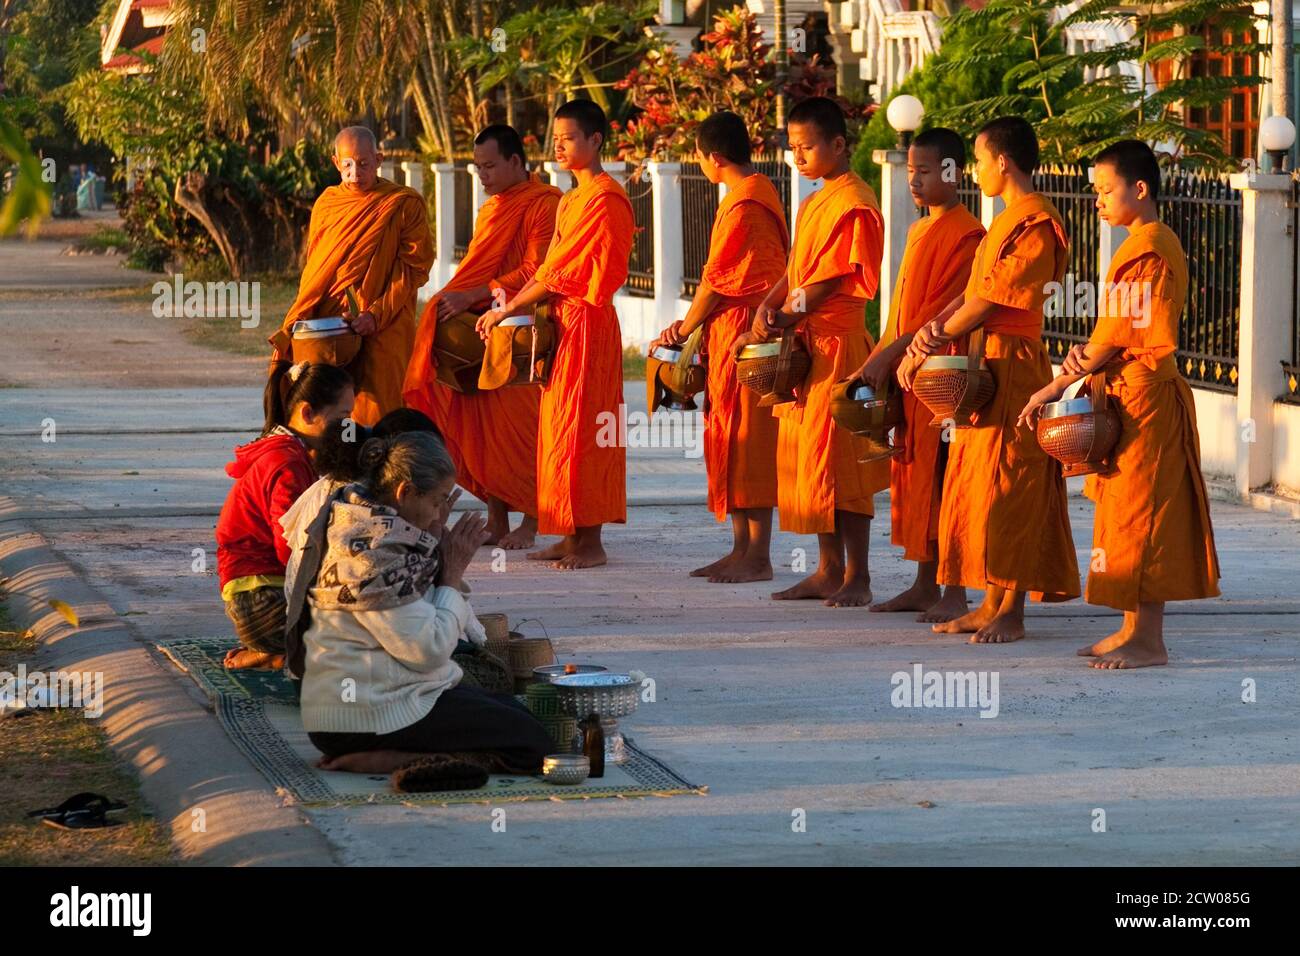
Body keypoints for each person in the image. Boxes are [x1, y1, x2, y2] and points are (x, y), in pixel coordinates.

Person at [1017, 139, 1220, 668]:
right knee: (1122, 512)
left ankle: (1149, 640)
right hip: (1128, 391)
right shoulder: (1140, 242)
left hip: (1146, 395)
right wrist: (1090, 354)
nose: (1098, 201)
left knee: (1145, 514)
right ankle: (1129, 628)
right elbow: (1114, 330)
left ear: (1140, 188)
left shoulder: (1151, 245)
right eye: (1095, 191)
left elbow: (1120, 335)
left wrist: (1054, 385)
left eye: (1106, 190)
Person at [900, 116, 1080, 643]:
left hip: (1017, 363)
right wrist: (928, 333)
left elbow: (989, 300)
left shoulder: (1036, 223)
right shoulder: (1002, 221)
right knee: (977, 480)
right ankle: (987, 601)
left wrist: (930, 340)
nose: (974, 171)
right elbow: (970, 293)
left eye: (978, 161)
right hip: (985, 363)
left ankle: (1013, 610)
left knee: (1014, 484)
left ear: (1002, 162)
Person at [294, 431, 553, 786]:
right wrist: (452, 573)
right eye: (436, 501)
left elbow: (418, 616)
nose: (439, 512)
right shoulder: (375, 553)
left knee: (520, 714)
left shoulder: (363, 517)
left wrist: (433, 541)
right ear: (405, 492)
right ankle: (394, 759)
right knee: (536, 746)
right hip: (361, 718)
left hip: (365, 699)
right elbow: (427, 652)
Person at [733, 96, 889, 607]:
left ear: (839, 145)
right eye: (792, 148)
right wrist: (767, 303)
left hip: (840, 345)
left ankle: (859, 576)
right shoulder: (815, 200)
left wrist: (788, 314)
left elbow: (833, 278)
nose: (797, 157)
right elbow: (798, 269)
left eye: (806, 147)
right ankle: (827, 569)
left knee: (845, 464)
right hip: (807, 344)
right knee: (812, 462)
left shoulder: (856, 202)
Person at [476, 100, 634, 569]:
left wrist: (513, 307)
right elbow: (548, 267)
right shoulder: (569, 198)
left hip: (589, 322)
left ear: (595, 141)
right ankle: (569, 533)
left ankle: (592, 542)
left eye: (568, 137)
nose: (558, 146)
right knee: (560, 430)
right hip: (563, 322)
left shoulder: (606, 197)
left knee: (588, 430)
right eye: (556, 137)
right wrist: (514, 305)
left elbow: (566, 271)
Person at [404, 125, 560, 550]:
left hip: (524, 330)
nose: (484, 175)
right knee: (480, 423)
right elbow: (478, 263)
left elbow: (537, 270)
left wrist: (475, 292)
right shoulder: (493, 208)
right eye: (478, 168)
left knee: (524, 427)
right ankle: (496, 518)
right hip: (484, 327)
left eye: (490, 166)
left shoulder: (545, 204)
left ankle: (532, 520)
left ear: (515, 161)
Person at [650, 111, 788, 583]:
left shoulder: (746, 203)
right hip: (731, 332)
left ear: (712, 158)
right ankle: (739, 549)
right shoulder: (752, 194)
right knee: (727, 437)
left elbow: (716, 281)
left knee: (750, 443)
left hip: (751, 336)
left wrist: (684, 328)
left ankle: (759, 555)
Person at [857, 128, 983, 623]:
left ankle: (954, 590)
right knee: (918, 480)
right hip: (910, 370)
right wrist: (886, 355)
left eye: (925, 170)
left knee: (945, 479)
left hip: (944, 376)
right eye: (910, 170)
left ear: (952, 172)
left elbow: (939, 313)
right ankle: (924, 583)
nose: (914, 180)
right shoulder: (917, 229)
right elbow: (903, 307)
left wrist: (893, 353)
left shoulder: (968, 233)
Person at [270, 126, 434, 426]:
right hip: (332, 323)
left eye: (364, 164)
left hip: (386, 322)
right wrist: (306, 314)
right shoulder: (327, 204)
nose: (355, 173)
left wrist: (376, 314)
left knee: (380, 409)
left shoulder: (402, 204)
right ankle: (333, 467)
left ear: (379, 159)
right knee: (324, 409)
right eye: (347, 165)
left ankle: (379, 466)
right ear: (336, 163)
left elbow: (413, 268)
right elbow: (317, 266)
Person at [216, 362, 354, 670]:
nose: (349, 428)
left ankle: (273, 651)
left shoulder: (291, 453)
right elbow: (292, 551)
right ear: (307, 413)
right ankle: (278, 652)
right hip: (262, 603)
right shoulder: (287, 464)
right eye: (344, 417)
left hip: (259, 600)